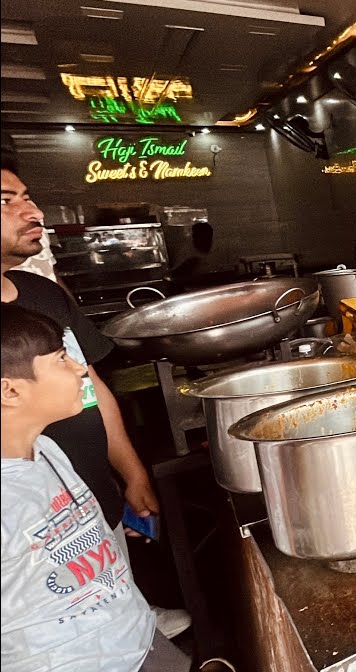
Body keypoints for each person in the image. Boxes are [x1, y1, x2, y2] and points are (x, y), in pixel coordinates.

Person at [1, 142, 191, 640]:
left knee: (111, 583)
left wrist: (130, 471)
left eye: (27, 196)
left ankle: (137, 625)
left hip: (89, 492)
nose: (33, 211)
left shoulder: (39, 294)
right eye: (6, 201)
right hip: (28, 526)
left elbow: (92, 385)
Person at [2, 307, 188, 671]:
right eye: (60, 359)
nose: (79, 368)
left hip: (139, 639)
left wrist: (87, 534)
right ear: (9, 390)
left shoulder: (46, 449)